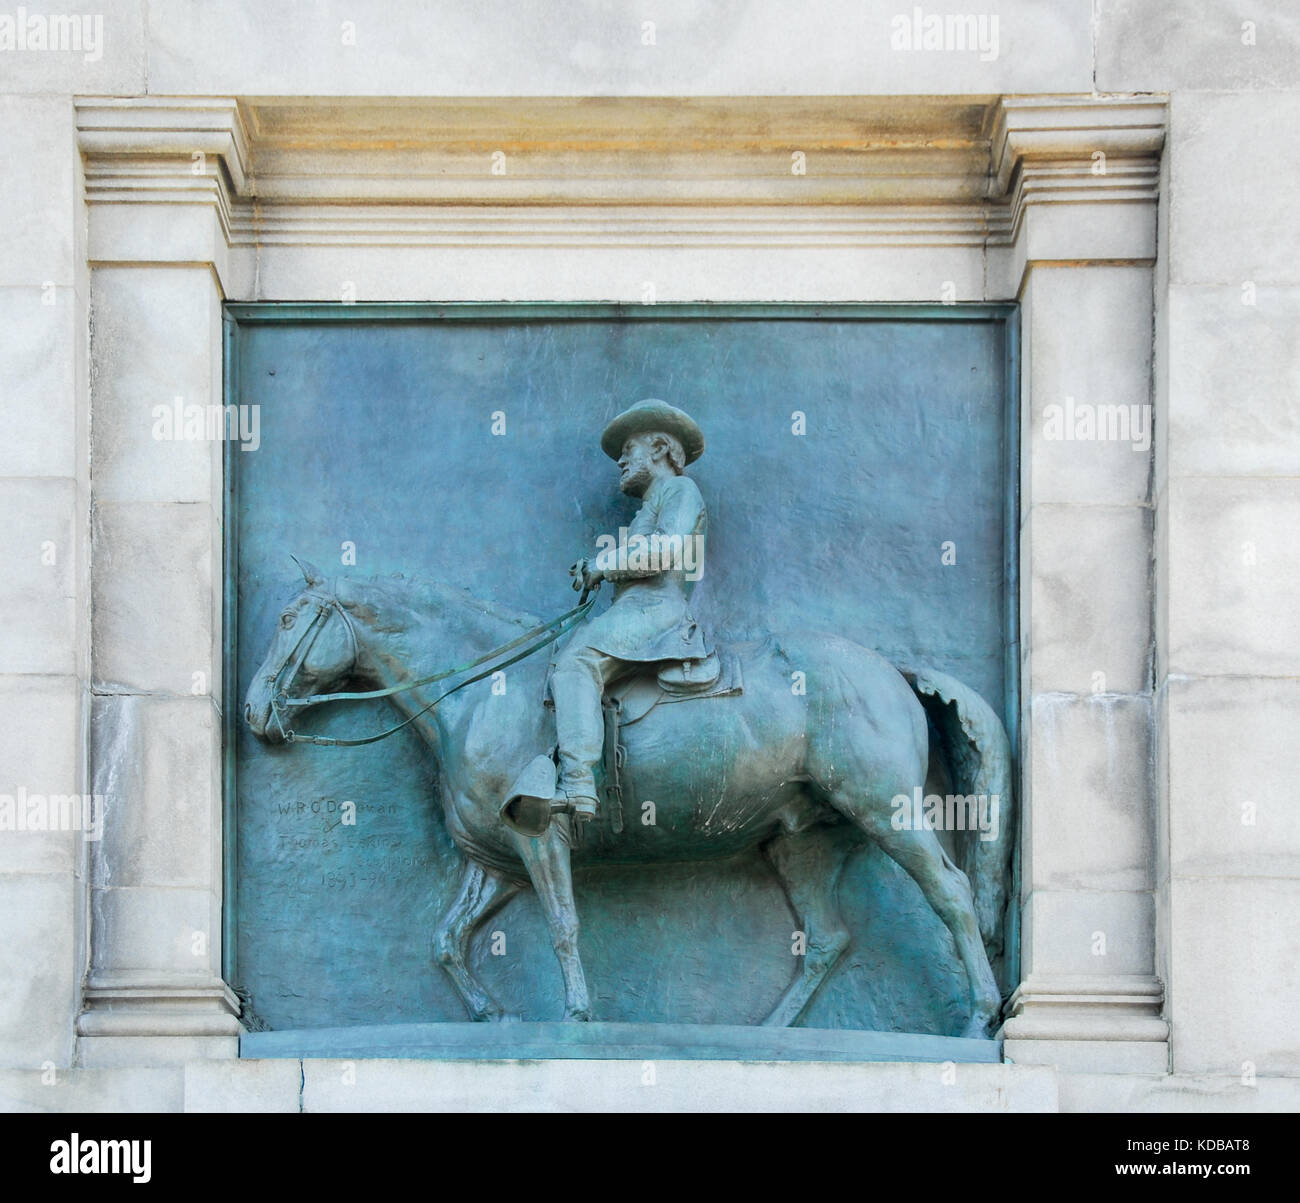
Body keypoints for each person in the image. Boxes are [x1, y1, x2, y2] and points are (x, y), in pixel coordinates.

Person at [549, 399, 710, 822]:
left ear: (658, 448)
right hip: (638, 609)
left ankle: (578, 785)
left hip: (658, 609)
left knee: (576, 662)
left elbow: (666, 549)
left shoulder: (680, 490)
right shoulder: (653, 502)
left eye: (629, 449)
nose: (620, 459)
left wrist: (603, 565)